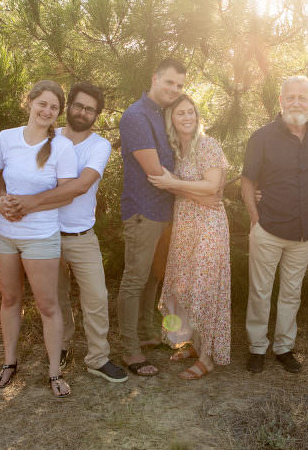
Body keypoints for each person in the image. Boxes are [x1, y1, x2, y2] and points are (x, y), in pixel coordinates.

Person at [2, 82, 128, 383]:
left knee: (96, 297)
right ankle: (60, 347)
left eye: (90, 109)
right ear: (67, 106)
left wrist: (32, 202)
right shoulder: (48, 137)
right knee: (55, 300)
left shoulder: (99, 145)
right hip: (45, 234)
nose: (83, 112)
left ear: (96, 115)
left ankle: (98, 358)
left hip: (81, 235)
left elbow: (81, 185)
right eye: (78, 105)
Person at [0, 80, 77, 397]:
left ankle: (54, 372)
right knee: (9, 299)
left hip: (41, 236)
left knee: (48, 306)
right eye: (43, 104)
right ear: (29, 102)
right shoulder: (6, 138)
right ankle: (9, 363)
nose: (47, 111)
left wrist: (29, 205)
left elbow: (65, 195)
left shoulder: (63, 146)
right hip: (4, 234)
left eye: (54, 107)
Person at [241, 75, 308, 374]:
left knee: (292, 293)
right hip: (269, 227)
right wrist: (255, 219)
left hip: (303, 233)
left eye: (302, 97)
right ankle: (256, 347)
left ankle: (284, 347)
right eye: (290, 97)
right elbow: (247, 181)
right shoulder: (262, 137)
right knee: (260, 292)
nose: (296, 102)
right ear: (280, 101)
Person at [147, 94, 231, 380]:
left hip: (209, 225)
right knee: (183, 285)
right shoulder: (174, 150)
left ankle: (207, 357)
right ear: (171, 119)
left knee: (205, 287)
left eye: (191, 112)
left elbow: (213, 186)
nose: (187, 117)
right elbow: (174, 187)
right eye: (180, 113)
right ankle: (193, 343)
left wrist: (177, 185)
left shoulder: (208, 145)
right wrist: (182, 189)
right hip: (184, 224)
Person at [117, 58, 185, 377]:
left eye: (180, 85)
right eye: (169, 82)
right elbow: (154, 171)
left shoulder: (162, 115)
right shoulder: (136, 115)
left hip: (165, 212)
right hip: (143, 211)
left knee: (153, 278)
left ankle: (146, 333)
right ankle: (129, 350)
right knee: (135, 278)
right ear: (155, 78)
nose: (174, 89)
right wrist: (190, 188)